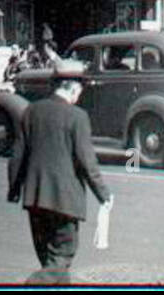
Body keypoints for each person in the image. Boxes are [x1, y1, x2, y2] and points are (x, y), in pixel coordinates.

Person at [7, 60, 112, 283]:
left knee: (50, 261)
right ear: (73, 88)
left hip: (35, 199)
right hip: (65, 202)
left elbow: (17, 156)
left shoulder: (31, 111)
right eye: (80, 90)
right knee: (61, 258)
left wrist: (14, 190)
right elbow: (87, 161)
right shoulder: (77, 116)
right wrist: (103, 194)